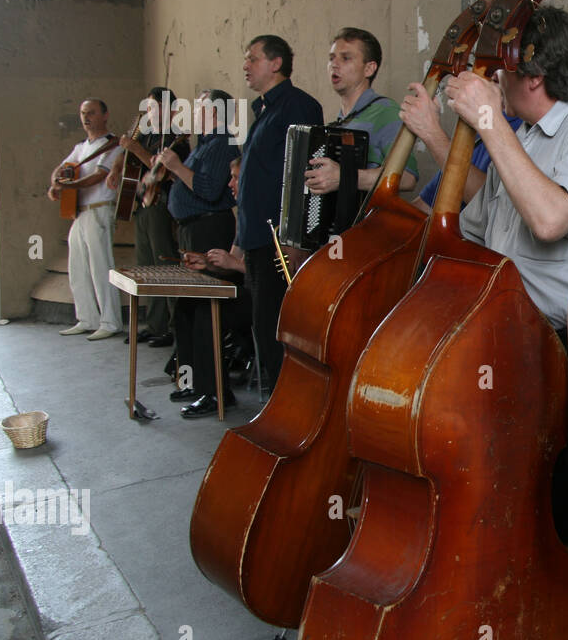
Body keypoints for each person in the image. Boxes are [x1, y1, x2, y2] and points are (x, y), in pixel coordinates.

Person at [399, 6, 568, 640]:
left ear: (529, 69)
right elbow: (479, 213)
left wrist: (487, 123)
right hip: (505, 342)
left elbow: (549, 215)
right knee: (519, 499)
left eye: (501, 68)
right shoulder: (522, 137)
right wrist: (434, 137)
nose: (493, 81)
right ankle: (520, 625)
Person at [235, 34, 323, 386]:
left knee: (278, 327)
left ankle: (287, 404)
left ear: (275, 64)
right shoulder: (265, 109)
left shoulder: (297, 105)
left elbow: (304, 174)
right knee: (263, 324)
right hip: (258, 237)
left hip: (279, 240)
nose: (245, 65)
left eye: (252, 58)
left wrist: (295, 238)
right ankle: (276, 402)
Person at [162, 92, 243, 417]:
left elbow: (209, 191)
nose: (194, 112)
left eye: (200, 107)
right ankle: (191, 380)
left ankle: (214, 392)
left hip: (209, 229)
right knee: (185, 306)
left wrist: (176, 166)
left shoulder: (223, 143)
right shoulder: (205, 142)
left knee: (203, 309)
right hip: (191, 229)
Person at [106, 86, 190, 346]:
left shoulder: (176, 139)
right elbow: (125, 153)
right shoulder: (147, 135)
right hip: (142, 204)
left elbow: (161, 169)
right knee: (147, 266)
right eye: (148, 108)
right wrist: (117, 165)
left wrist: (135, 149)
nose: (150, 113)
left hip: (162, 205)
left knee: (164, 264)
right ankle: (155, 324)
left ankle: (172, 327)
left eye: (154, 108)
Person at [304, 27, 419, 197]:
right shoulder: (340, 121)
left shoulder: (386, 112)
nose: (334, 64)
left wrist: (345, 177)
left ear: (369, 68)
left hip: (370, 223)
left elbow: (408, 178)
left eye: (346, 58)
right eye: (331, 58)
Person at [48, 98, 124, 340]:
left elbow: (98, 177)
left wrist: (66, 187)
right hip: (79, 212)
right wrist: (55, 183)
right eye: (82, 113)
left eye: (91, 112)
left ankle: (110, 321)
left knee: (102, 266)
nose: (85, 117)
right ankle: (87, 317)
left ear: (105, 115)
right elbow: (60, 169)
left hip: (100, 209)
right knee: (77, 266)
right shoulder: (81, 146)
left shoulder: (112, 145)